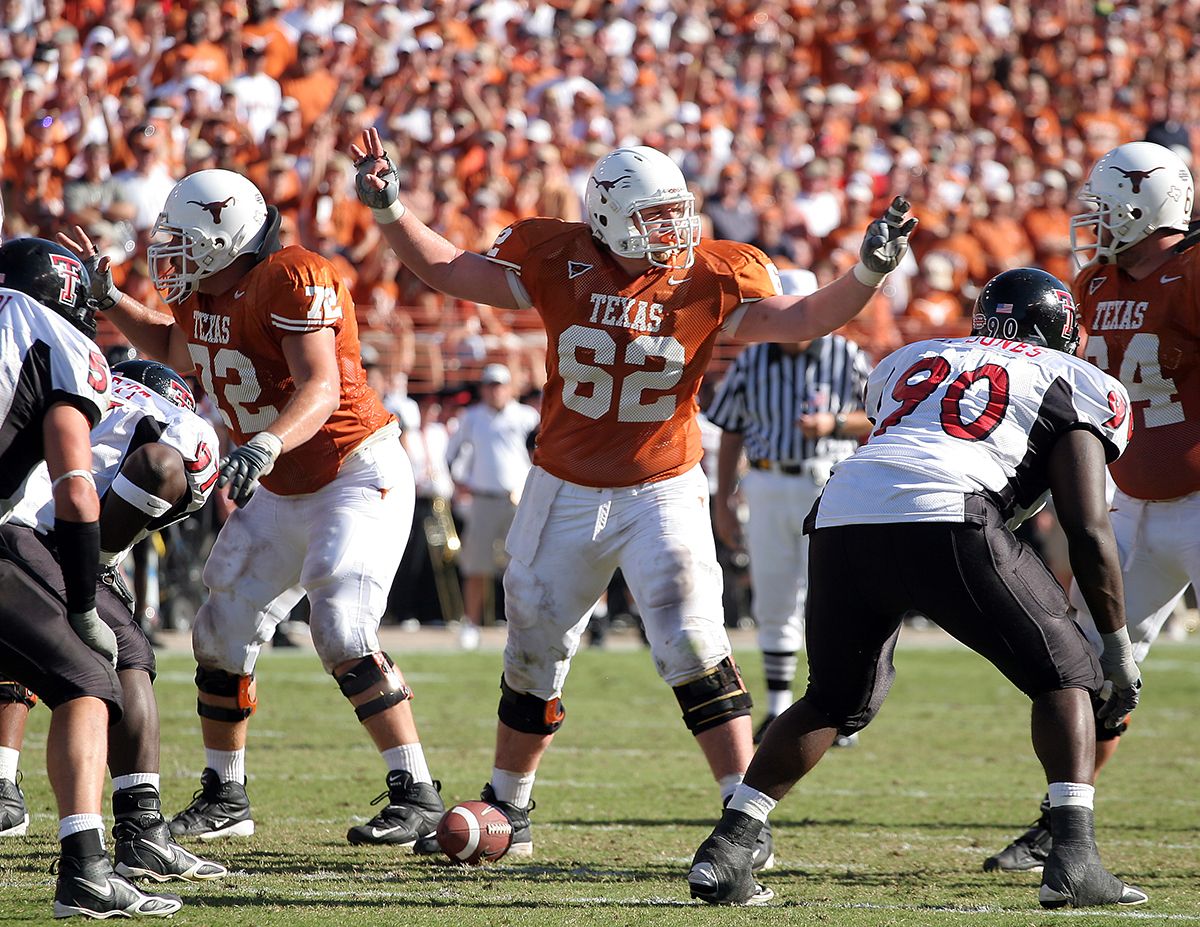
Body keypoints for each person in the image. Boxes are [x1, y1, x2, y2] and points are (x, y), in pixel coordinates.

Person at [350, 127, 914, 863]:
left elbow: (803, 317)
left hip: (662, 486)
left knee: (694, 640)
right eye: (656, 216)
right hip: (563, 487)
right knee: (533, 648)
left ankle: (743, 817)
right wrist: (390, 211)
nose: (674, 229)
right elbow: (450, 270)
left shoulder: (709, 273)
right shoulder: (558, 256)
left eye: (678, 212)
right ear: (608, 216)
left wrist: (868, 272)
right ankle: (510, 804)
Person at [688, 267, 1147, 910]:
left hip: (843, 513)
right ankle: (1074, 861)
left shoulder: (915, 357)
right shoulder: (1074, 380)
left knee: (833, 699)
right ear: (1060, 330)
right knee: (1068, 674)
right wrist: (1117, 646)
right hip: (950, 514)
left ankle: (729, 847)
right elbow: (1088, 527)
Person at [57, 167, 445, 851]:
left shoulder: (293, 275)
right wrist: (113, 299)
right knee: (219, 628)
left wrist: (265, 442)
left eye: (185, 241)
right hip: (283, 482)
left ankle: (416, 792)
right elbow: (175, 348)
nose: (172, 255)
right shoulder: (207, 291)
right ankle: (225, 794)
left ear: (226, 237)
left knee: (343, 625)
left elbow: (321, 385)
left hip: (354, 471)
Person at [984, 141, 1200, 872]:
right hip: (1131, 500)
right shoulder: (1096, 282)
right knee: (1087, 665)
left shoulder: (1193, 272)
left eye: (1106, 207)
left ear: (1146, 204)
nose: (1095, 222)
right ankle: (1062, 820)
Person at [0, 237, 182, 917]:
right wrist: (83, 602)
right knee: (87, 676)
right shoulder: (58, 340)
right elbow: (77, 491)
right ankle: (85, 871)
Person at [0, 359, 227, 886]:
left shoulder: (80, 386)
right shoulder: (178, 421)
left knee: (51, 657)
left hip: (15, 523)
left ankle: (15, 790)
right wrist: (100, 558)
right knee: (120, 658)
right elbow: (159, 466)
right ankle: (133, 836)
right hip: (46, 537)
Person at [706, 275, 873, 745]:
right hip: (766, 481)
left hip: (829, 481)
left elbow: (882, 411)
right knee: (774, 595)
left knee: (831, 596)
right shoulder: (752, 358)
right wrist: (723, 498)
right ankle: (779, 707)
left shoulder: (845, 354)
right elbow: (730, 428)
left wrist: (834, 422)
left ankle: (837, 708)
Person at [445, 363, 539, 649]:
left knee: (522, 566)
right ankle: (471, 624)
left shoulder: (526, 416)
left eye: (499, 385)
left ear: (509, 388)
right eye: (490, 385)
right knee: (476, 566)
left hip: (518, 499)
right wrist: (459, 482)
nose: (494, 391)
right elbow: (451, 454)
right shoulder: (472, 417)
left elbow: (539, 453)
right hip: (483, 499)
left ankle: (522, 625)